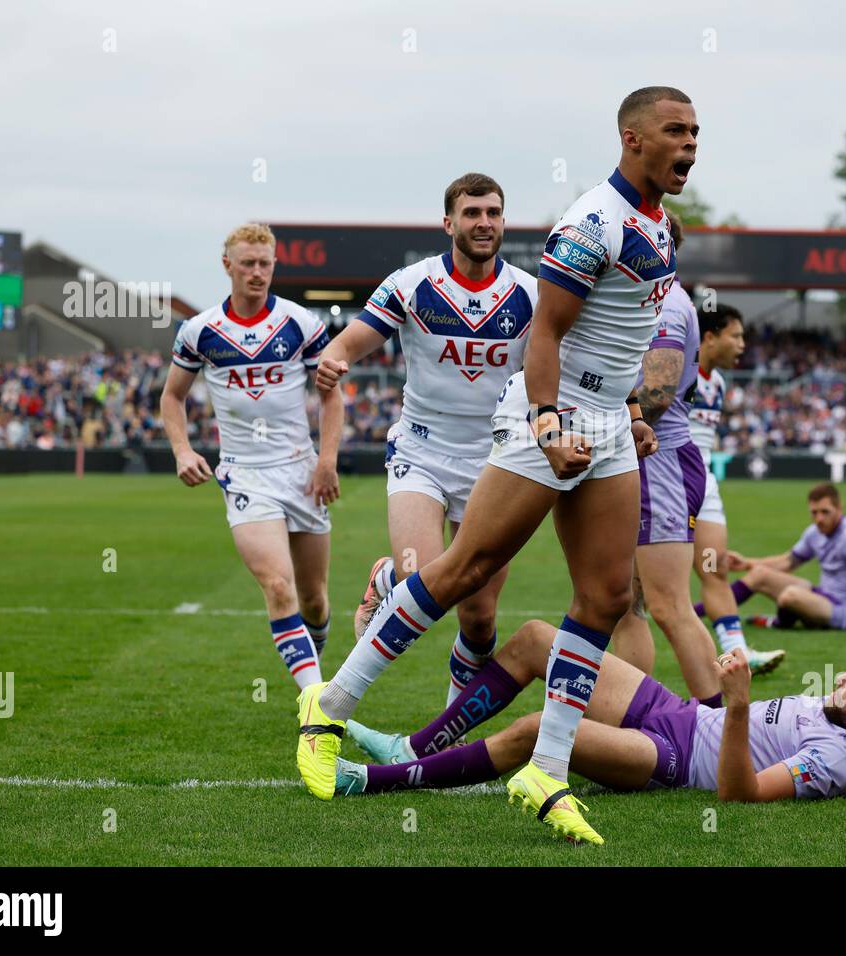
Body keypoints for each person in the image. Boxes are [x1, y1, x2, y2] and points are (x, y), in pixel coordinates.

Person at [296, 86, 697, 848]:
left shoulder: (662, 227)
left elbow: (626, 336)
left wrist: (634, 417)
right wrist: (547, 423)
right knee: (462, 571)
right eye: (675, 131)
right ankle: (330, 705)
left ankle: (545, 769)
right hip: (548, 417)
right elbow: (545, 335)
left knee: (607, 596)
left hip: (608, 421)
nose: (690, 145)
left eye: (696, 132)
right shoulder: (593, 223)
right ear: (632, 139)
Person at [314, 173, 535, 711]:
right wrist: (334, 358)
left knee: (479, 617)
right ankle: (387, 576)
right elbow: (352, 339)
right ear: (448, 222)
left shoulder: (531, 294)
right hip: (422, 450)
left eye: (493, 213)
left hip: (500, 460)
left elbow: (552, 365)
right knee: (423, 578)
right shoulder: (412, 283)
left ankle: (449, 726)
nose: (484, 222)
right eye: (472, 213)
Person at [337, 620, 846, 816]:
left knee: (541, 730)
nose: (839, 678)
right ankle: (412, 748)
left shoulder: (842, 760)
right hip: (679, 714)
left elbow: (739, 794)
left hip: (671, 759)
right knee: (542, 641)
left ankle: (370, 781)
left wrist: (737, 705)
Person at [161, 223, 341, 690]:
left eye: (265, 264)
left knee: (315, 600)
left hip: (301, 471)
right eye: (248, 264)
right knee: (278, 588)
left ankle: (312, 665)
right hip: (245, 476)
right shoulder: (199, 331)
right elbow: (172, 397)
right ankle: (315, 706)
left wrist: (327, 460)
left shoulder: (301, 324)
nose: (258, 273)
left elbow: (331, 395)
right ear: (228, 266)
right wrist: (182, 451)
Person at [609, 221, 783, 696]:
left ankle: (716, 726)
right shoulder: (641, 296)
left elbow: (660, 393)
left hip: (658, 458)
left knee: (669, 605)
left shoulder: (664, 300)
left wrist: (596, 411)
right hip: (634, 457)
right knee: (624, 603)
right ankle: (633, 716)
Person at [686, 302, 783, 670]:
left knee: (715, 570)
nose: (743, 344)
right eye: (736, 336)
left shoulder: (719, 382)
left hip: (703, 484)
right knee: (642, 591)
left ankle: (739, 658)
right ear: (709, 337)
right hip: (666, 481)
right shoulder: (679, 369)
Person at [735, 483, 846, 633]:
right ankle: (713, 611)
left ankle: (776, 623)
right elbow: (788, 562)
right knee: (759, 574)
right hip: (821, 596)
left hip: (844, 612)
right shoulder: (814, 533)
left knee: (791, 595)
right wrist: (746, 563)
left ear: (839, 508)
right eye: (814, 513)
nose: (819, 519)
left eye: (825, 512)